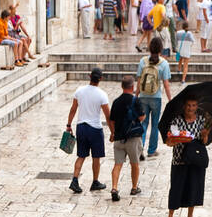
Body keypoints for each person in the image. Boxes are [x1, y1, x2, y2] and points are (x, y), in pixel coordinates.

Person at [162, 92, 210, 217]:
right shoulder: (177, 120)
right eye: (188, 105)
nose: (191, 108)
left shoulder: (201, 120)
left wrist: (205, 135)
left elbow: (204, 142)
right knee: (176, 188)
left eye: (194, 105)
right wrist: (177, 139)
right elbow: (169, 142)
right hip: (179, 159)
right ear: (184, 106)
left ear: (197, 107)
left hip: (195, 160)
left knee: (194, 188)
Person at [65, 66, 111, 192]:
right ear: (100, 79)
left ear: (89, 77)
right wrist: (113, 132)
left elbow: (73, 109)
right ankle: (95, 182)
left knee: (81, 155)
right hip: (95, 129)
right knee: (96, 157)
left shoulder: (79, 91)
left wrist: (68, 125)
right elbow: (108, 116)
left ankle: (75, 180)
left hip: (81, 127)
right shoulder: (102, 95)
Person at [108, 74, 145, 202]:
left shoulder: (116, 102)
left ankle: (114, 187)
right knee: (134, 164)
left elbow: (111, 120)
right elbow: (141, 117)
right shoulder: (136, 100)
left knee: (117, 164)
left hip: (119, 137)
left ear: (121, 86)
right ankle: (134, 187)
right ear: (133, 86)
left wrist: (113, 133)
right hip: (133, 138)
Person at [137, 37, 173, 158]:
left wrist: (135, 96)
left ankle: (139, 148)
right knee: (155, 125)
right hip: (156, 97)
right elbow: (166, 85)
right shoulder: (164, 63)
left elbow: (138, 81)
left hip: (143, 97)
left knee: (143, 123)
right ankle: (151, 150)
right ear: (161, 49)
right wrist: (170, 100)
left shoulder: (143, 61)